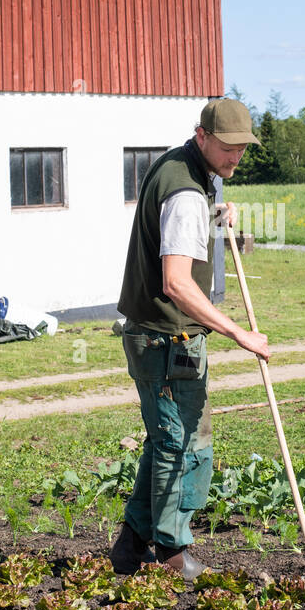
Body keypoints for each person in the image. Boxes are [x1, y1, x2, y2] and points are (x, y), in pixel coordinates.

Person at [110, 97, 272, 580]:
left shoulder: (182, 170)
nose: (234, 159)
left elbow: (179, 220)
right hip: (166, 341)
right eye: (227, 149)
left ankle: (130, 547)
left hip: (156, 334)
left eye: (242, 150)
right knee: (181, 445)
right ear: (201, 136)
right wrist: (239, 333)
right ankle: (172, 551)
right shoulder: (185, 192)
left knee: (165, 440)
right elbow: (176, 282)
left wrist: (211, 211)